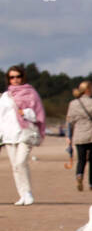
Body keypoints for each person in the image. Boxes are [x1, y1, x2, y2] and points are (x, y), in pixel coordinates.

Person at [2, 65, 44, 205]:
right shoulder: (5, 96)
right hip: (8, 135)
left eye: (17, 76)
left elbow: (38, 114)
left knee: (21, 162)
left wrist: (24, 113)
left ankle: (27, 192)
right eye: (12, 77)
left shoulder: (31, 93)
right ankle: (22, 195)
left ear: (22, 77)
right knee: (15, 166)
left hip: (25, 132)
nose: (15, 80)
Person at [66, 80, 92, 191]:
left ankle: (79, 174)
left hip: (78, 134)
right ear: (88, 90)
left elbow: (69, 121)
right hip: (91, 134)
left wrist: (69, 136)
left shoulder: (73, 103)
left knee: (81, 159)